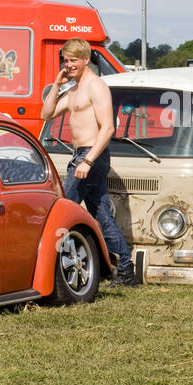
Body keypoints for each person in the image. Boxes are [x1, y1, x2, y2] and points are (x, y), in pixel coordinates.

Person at [41, 38, 136, 286]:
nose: (68, 65)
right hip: (80, 155)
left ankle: (55, 267)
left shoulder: (96, 86)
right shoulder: (73, 89)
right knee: (100, 212)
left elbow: (107, 128)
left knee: (63, 209)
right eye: (65, 60)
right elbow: (46, 113)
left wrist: (88, 161)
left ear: (86, 60)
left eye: (73, 60)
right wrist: (56, 84)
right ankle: (125, 267)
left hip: (91, 155)